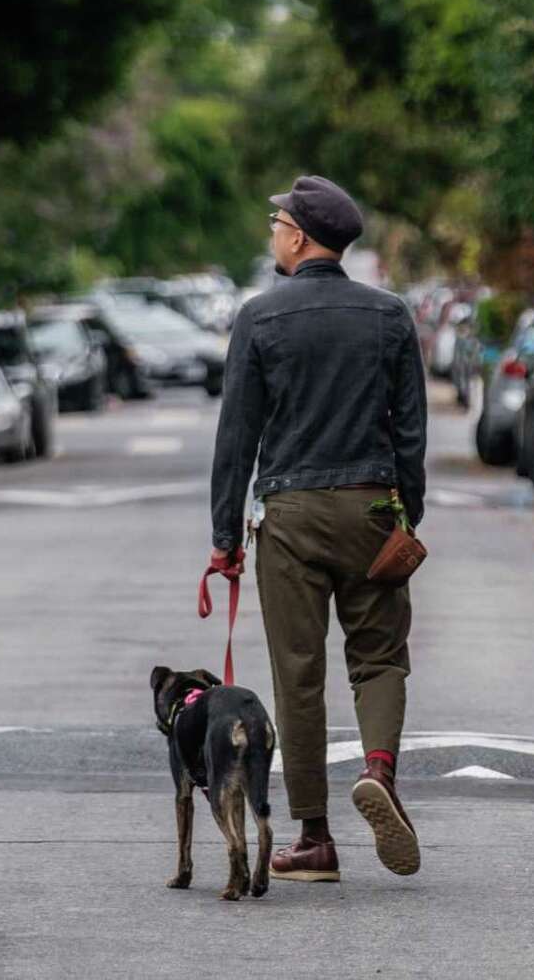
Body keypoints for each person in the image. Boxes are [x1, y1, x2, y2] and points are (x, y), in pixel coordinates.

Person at [207, 175, 428, 882]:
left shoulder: (259, 318)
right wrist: (405, 518)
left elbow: (236, 438)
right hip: (371, 509)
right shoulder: (390, 316)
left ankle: (313, 838)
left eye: (277, 222)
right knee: (380, 658)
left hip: (292, 514)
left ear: (299, 236)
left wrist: (225, 539)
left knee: (298, 676)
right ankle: (380, 771)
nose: (271, 231)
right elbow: (412, 432)